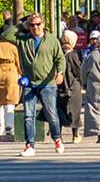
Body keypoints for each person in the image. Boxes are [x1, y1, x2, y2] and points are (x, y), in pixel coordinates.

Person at [16, 12, 65, 157]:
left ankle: (57, 139)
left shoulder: (52, 40)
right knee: (28, 115)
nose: (35, 27)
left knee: (52, 114)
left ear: (43, 24)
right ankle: (29, 144)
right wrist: (22, 25)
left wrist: (60, 72)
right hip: (29, 83)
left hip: (47, 83)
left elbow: (60, 58)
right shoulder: (24, 40)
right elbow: (6, 34)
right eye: (32, 25)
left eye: (38, 24)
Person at [0, 23, 21, 140]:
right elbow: (18, 63)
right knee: (10, 102)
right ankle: (9, 127)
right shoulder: (13, 48)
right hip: (11, 73)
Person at [58, 30, 83, 143]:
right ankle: (75, 135)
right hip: (73, 86)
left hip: (60, 87)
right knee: (75, 111)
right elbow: (78, 71)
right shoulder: (73, 55)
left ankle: (58, 135)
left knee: (60, 111)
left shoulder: (58, 53)